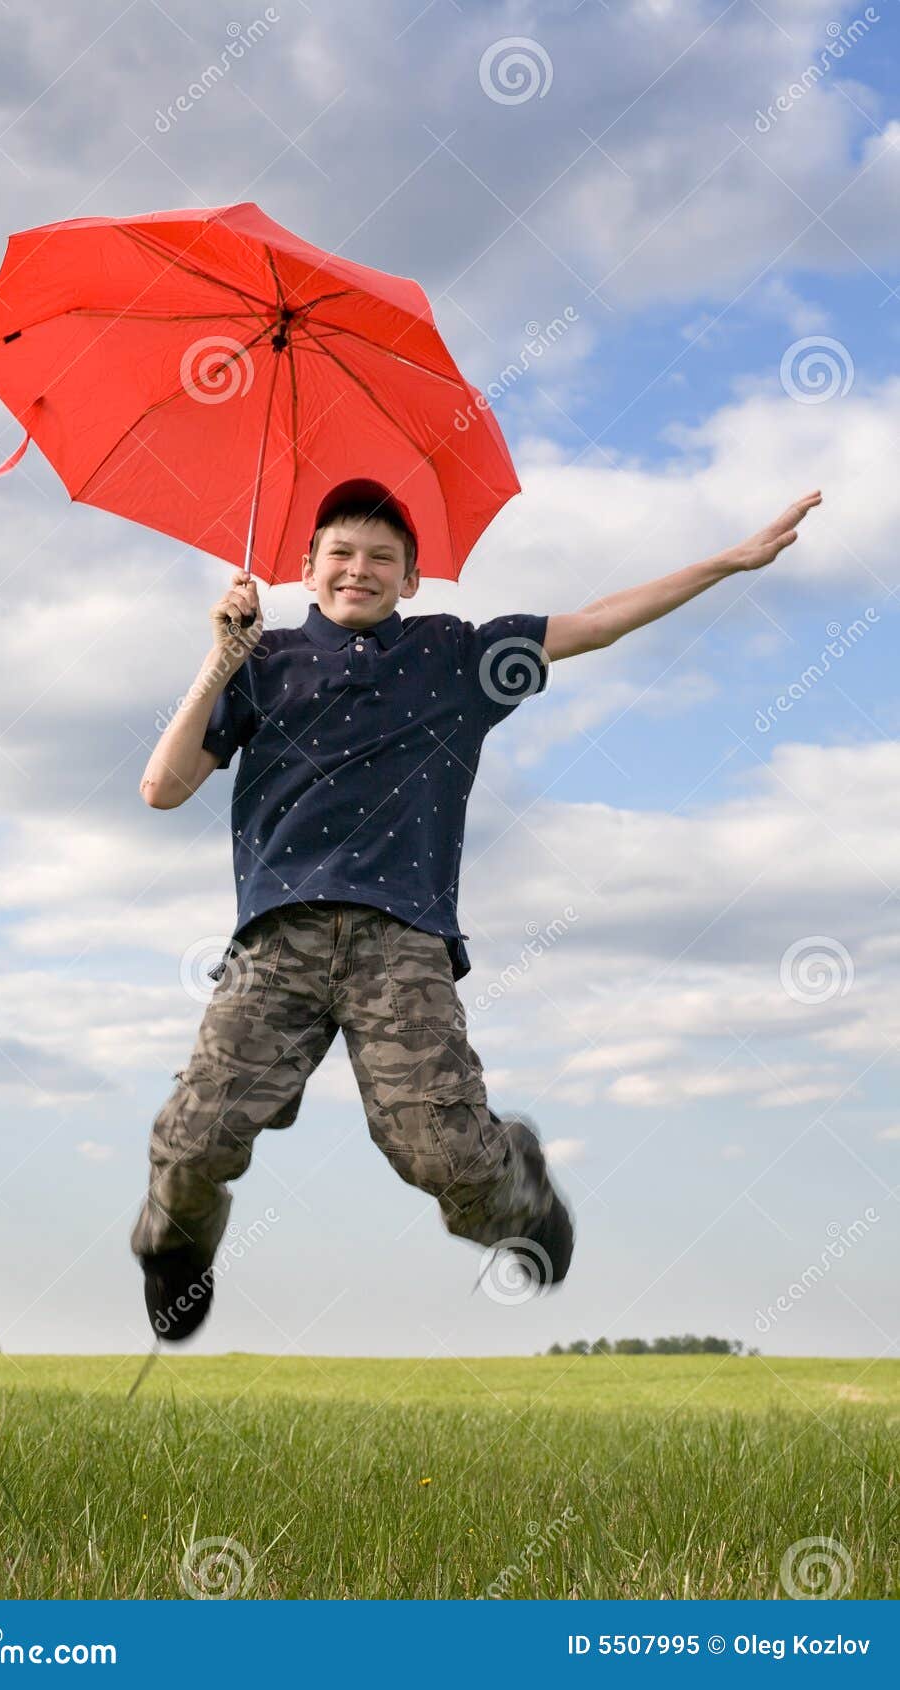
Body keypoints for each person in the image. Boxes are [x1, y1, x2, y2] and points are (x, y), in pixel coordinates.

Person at [131, 478, 822, 1341]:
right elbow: (162, 787)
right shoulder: (260, 667)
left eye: (382, 558)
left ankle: (516, 1192)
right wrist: (220, 661)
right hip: (277, 940)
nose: (359, 569)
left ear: (411, 580)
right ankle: (177, 1249)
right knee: (193, 1140)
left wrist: (728, 560)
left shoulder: (455, 659)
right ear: (305, 569)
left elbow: (598, 622)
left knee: (444, 1154)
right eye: (340, 554)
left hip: (401, 944)